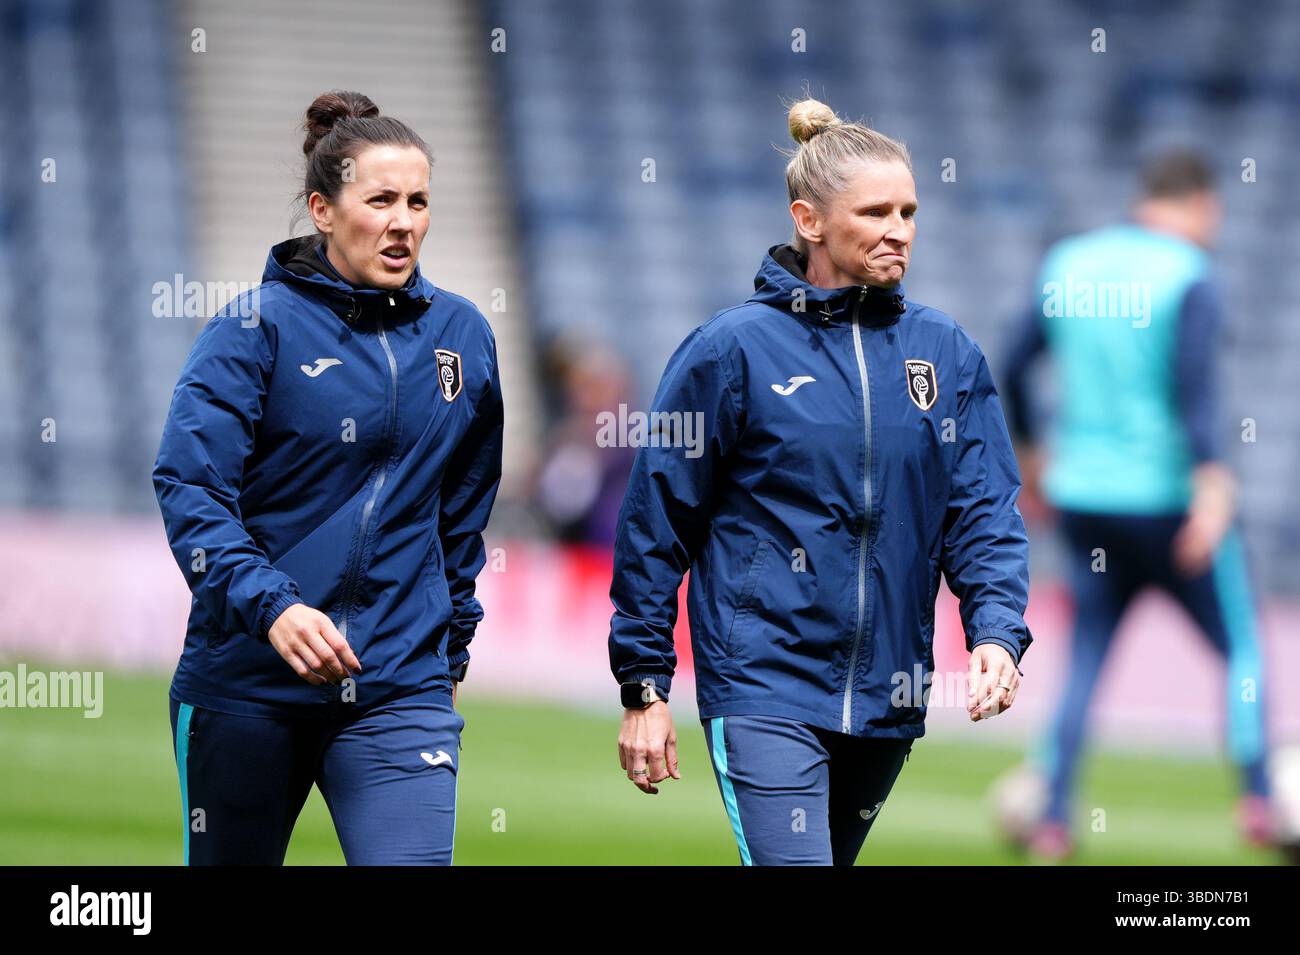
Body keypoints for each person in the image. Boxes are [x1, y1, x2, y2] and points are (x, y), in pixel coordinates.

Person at [608, 98, 1032, 865]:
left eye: (908, 210)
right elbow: (656, 520)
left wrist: (997, 630)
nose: (897, 228)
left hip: (890, 695)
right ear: (809, 220)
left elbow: (982, 510)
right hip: (762, 680)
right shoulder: (729, 350)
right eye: (874, 211)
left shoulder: (947, 353)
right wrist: (643, 683)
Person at [153, 90, 503, 865]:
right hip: (246, 683)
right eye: (380, 199)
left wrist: (448, 655)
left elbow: (462, 517)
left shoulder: (464, 338)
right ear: (323, 208)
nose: (403, 220)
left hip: (396, 689)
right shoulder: (252, 330)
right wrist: (273, 608)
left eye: (417, 201)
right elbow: (190, 488)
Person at [998, 150, 1275, 860]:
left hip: (1084, 500)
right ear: (1201, 204)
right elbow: (1197, 395)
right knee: (1242, 649)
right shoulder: (1190, 275)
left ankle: (1055, 818)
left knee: (1086, 657)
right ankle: (1259, 798)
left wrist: (1032, 453)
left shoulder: (1068, 264)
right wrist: (1213, 487)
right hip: (1170, 503)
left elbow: (1013, 360)